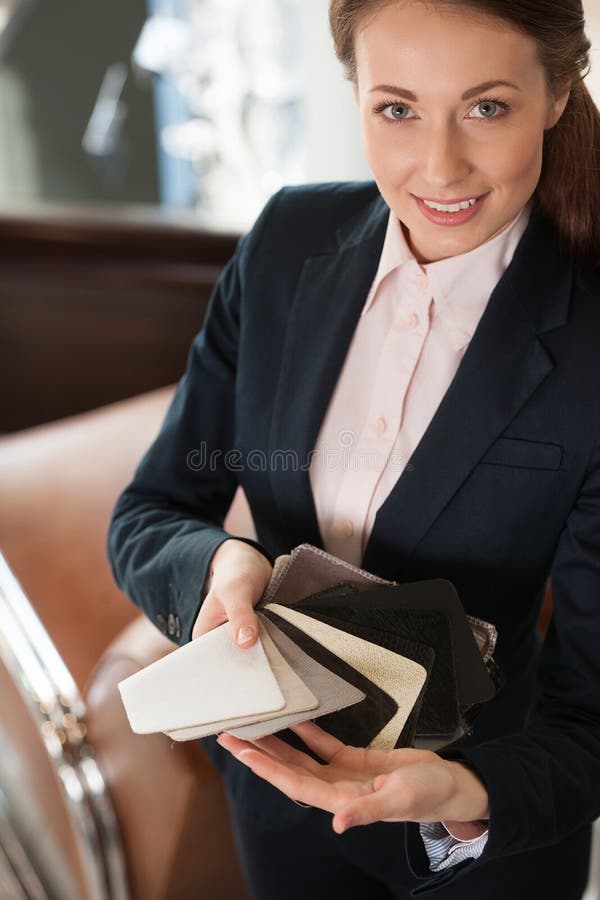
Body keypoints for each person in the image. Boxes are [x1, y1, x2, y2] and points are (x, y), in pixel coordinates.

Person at [107, 0, 600, 897]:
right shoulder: (285, 245)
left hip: (484, 840)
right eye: (397, 108)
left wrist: (466, 794)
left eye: (486, 107)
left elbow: (593, 707)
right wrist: (219, 564)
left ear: (559, 93)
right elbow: (151, 512)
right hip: (279, 803)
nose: (439, 166)